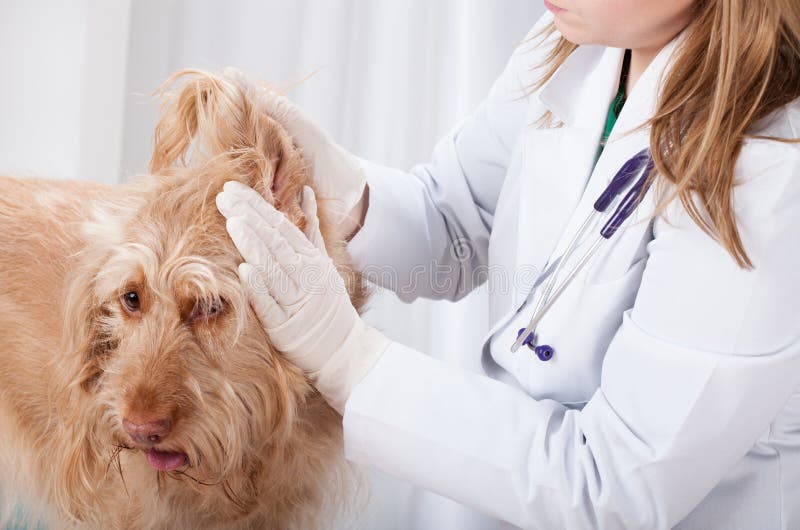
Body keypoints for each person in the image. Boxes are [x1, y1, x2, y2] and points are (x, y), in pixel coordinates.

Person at [214, 1, 800, 528]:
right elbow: (455, 222)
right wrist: (343, 192)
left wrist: (348, 359)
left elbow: (614, 487)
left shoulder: (770, 168)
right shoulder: (573, 39)